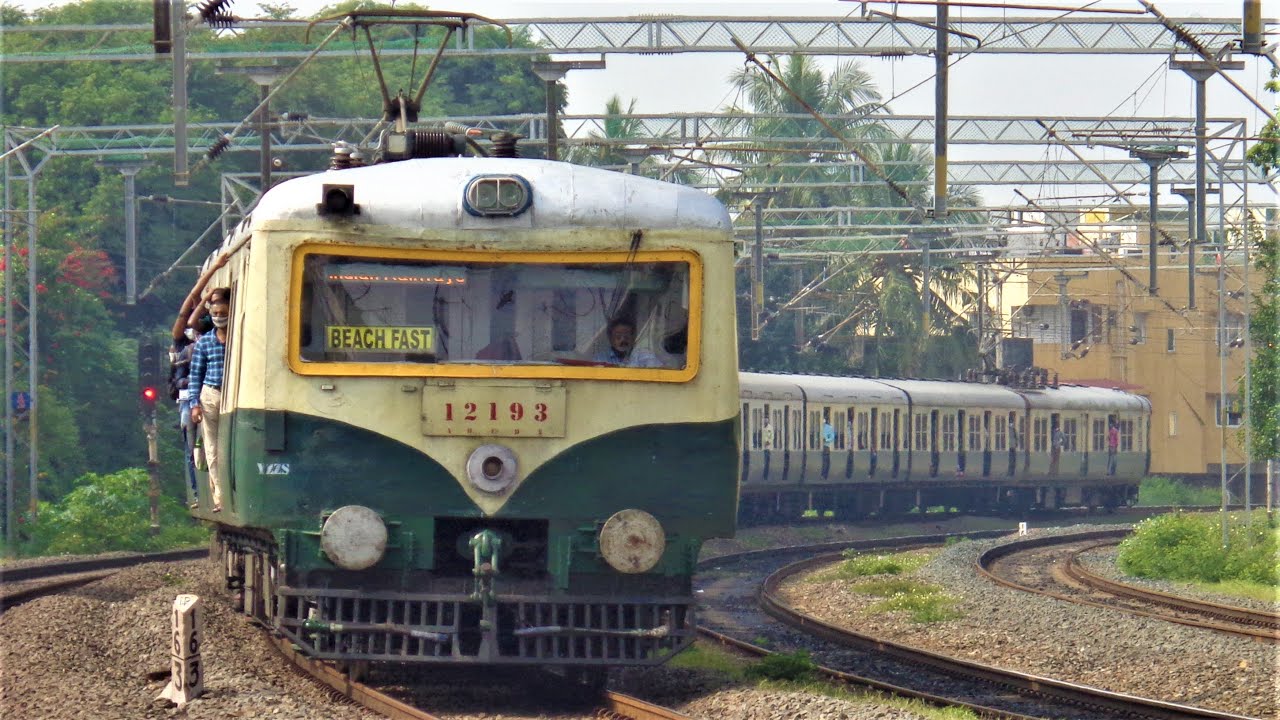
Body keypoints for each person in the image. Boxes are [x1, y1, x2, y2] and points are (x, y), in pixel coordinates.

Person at [189, 289, 231, 512]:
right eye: (215, 312)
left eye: (223, 312)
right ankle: (219, 498)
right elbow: (195, 375)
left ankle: (230, 495)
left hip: (233, 395)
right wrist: (194, 404)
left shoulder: (238, 339)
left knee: (228, 448)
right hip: (211, 394)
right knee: (212, 448)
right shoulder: (204, 343)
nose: (218, 315)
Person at [595, 318, 661, 367]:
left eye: (626, 336)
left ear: (633, 338)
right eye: (618, 337)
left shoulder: (646, 356)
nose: (623, 340)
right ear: (610, 339)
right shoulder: (600, 358)